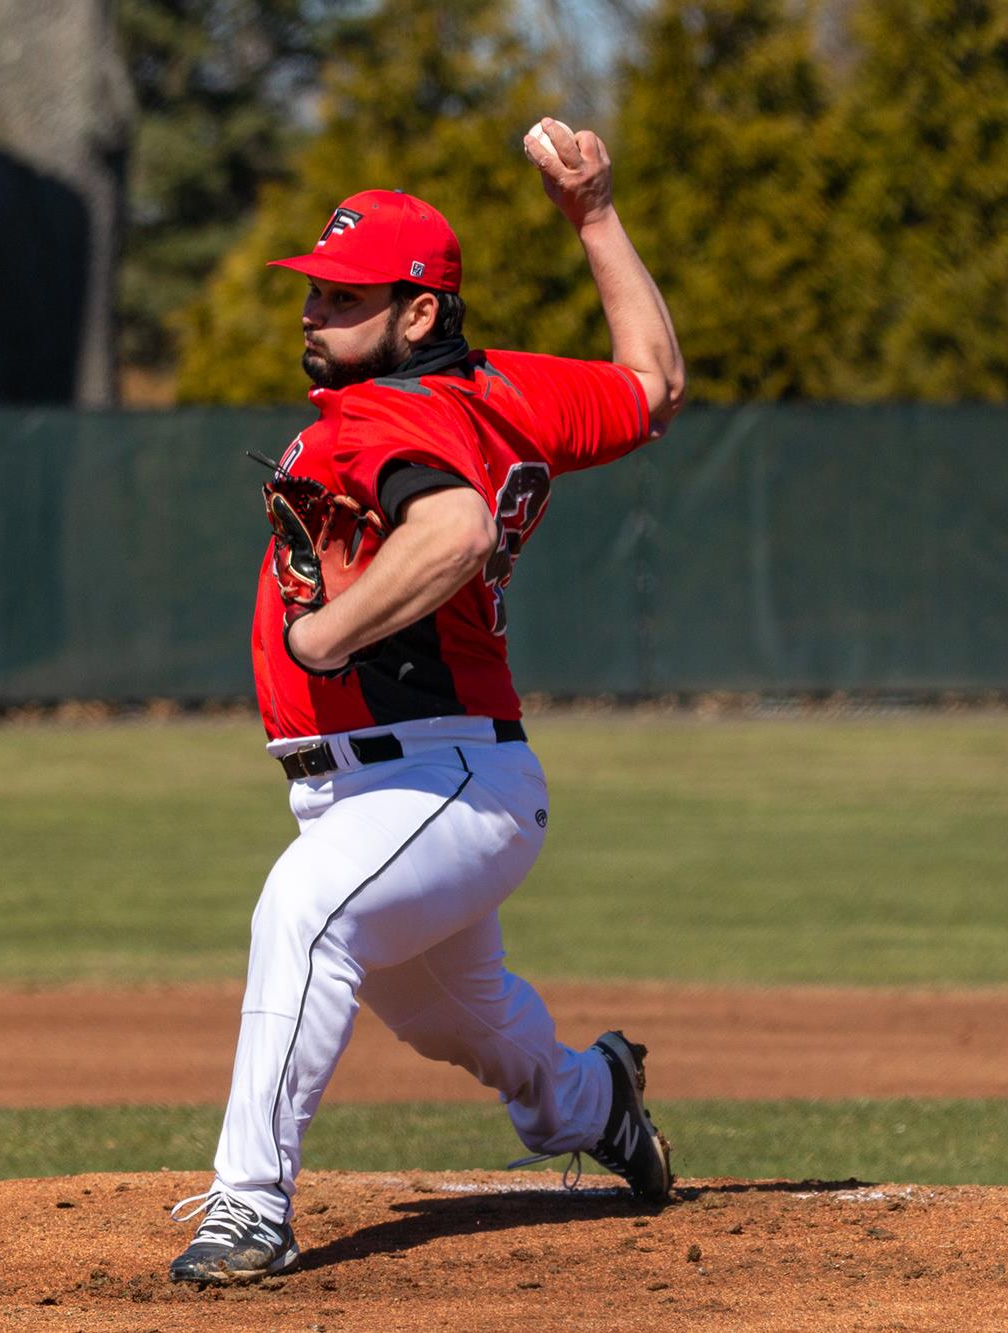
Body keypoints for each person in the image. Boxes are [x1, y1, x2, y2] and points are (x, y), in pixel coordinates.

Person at [168, 117, 688, 1284]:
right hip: (406, 786)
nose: (314, 312)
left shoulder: (378, 414)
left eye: (346, 297)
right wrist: (595, 217)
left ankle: (249, 1207)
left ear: (415, 315)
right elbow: (652, 384)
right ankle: (595, 1099)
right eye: (312, 291)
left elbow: (449, 527)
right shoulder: (508, 391)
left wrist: (322, 631)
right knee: (468, 1025)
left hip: (437, 775)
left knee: (300, 913)